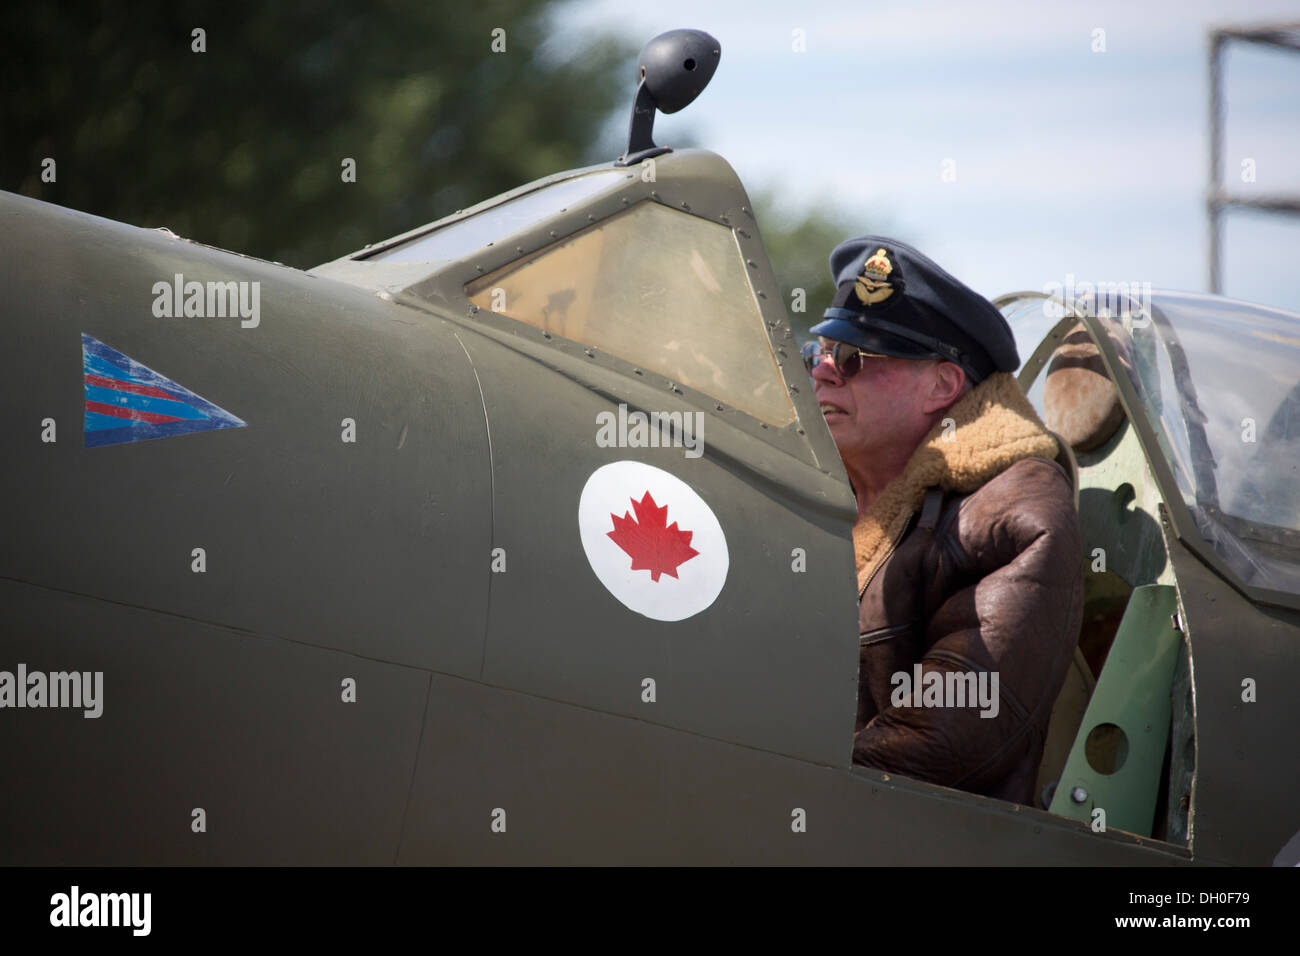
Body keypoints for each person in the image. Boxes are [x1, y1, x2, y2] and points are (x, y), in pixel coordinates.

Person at [805, 236, 1083, 805]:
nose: (825, 373)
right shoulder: (816, 489)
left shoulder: (1016, 513)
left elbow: (945, 736)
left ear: (942, 386)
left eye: (854, 358)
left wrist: (770, 762)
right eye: (820, 352)